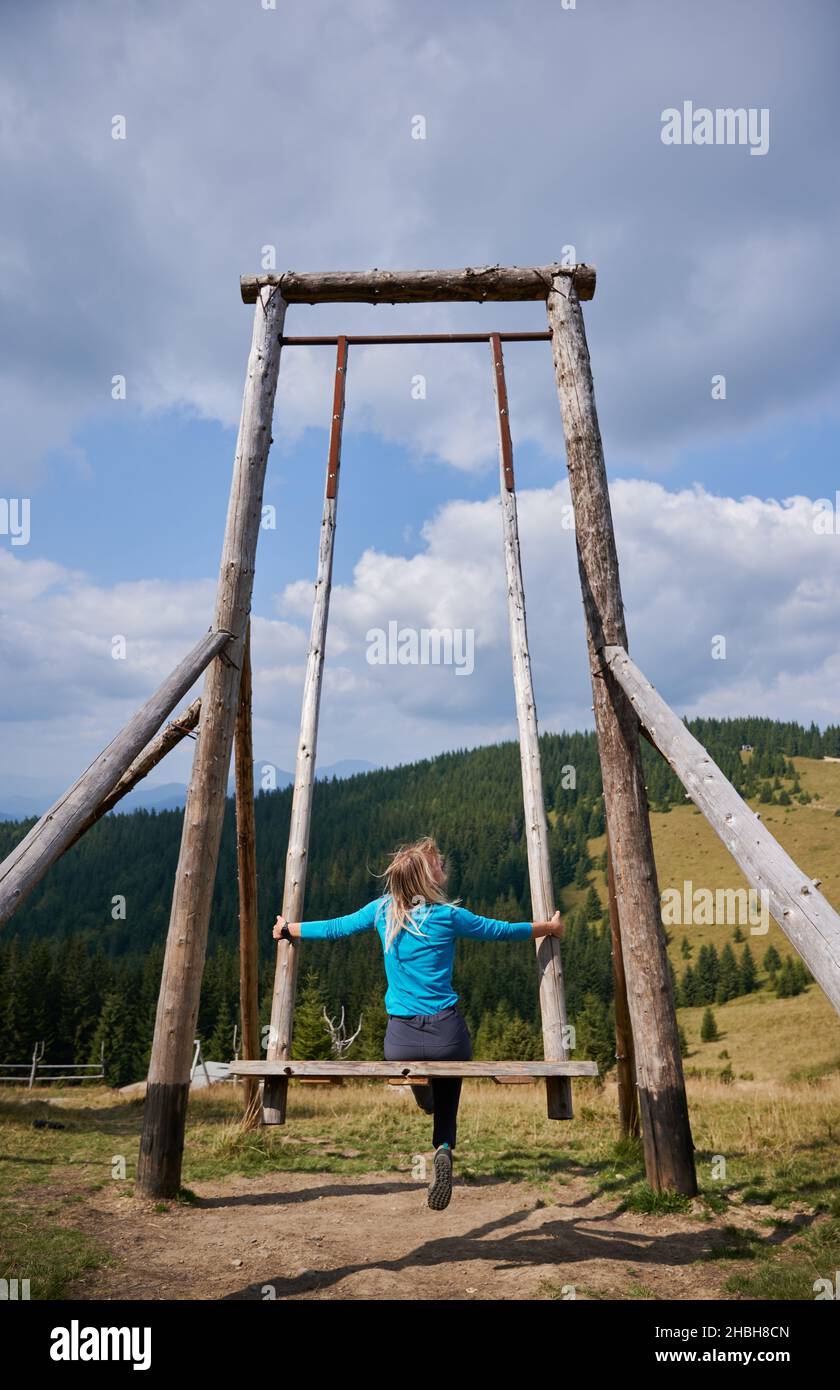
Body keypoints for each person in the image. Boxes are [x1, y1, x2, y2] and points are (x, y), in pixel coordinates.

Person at [272, 836, 565, 1211]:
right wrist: (549, 929)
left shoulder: (381, 912)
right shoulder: (449, 917)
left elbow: (333, 928)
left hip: (401, 1040)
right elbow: (503, 930)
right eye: (438, 863)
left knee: (421, 1077)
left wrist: (287, 928)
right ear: (429, 879)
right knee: (448, 1077)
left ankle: (425, 1101)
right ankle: (443, 1145)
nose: (444, 864)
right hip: (448, 1034)